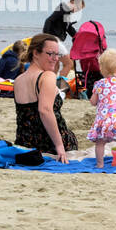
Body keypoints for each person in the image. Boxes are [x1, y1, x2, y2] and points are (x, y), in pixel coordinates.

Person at [14, 33, 78, 161]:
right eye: (50, 54)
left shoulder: (18, 79)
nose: (55, 59)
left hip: (24, 142)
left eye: (57, 54)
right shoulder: (47, 76)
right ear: (36, 53)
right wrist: (59, 146)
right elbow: (44, 110)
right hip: (48, 144)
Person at [88, 48, 116, 168]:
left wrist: (95, 100)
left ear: (101, 70)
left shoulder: (99, 84)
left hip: (104, 121)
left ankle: (100, 164)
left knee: (100, 143)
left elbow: (93, 102)